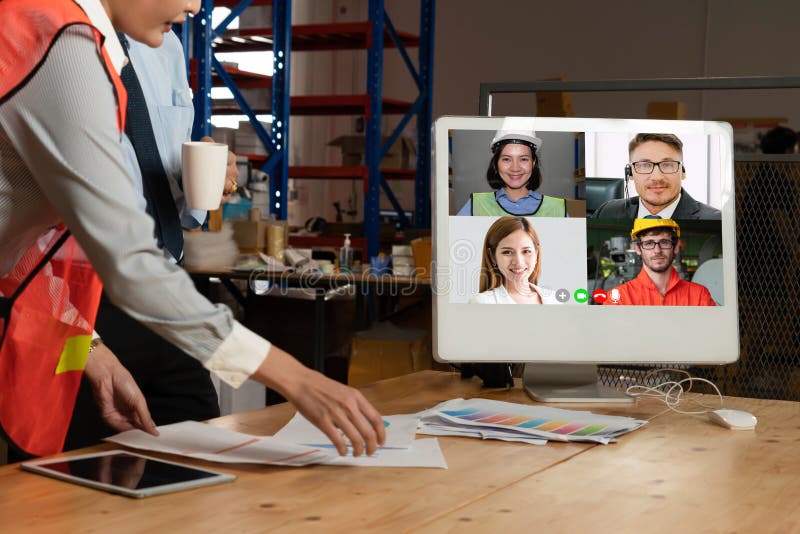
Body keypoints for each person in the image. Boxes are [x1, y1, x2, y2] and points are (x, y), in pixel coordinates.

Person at [0, 0, 384, 459]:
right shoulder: (62, 44)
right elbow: (127, 260)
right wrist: (297, 379)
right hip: (105, 291)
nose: (195, 5)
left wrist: (85, 342)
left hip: (92, 297)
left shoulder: (77, 38)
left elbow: (22, 245)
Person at [65, 25, 240, 450]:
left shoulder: (168, 45)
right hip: (75, 305)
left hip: (161, 288)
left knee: (202, 455)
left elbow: (162, 182)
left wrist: (208, 182)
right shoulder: (57, 45)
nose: (195, 8)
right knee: (77, 469)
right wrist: (82, 345)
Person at [591, 133, 721, 220]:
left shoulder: (717, 220)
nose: (657, 177)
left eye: (668, 165)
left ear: (682, 171)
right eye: (645, 165)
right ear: (630, 173)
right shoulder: (606, 212)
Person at [604, 219, 716, 306]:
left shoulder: (699, 295)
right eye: (649, 243)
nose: (657, 251)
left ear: (676, 247)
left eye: (664, 242)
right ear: (638, 248)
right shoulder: (618, 298)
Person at [457, 130, 567, 217]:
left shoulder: (556, 209)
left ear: (533, 163)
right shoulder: (476, 205)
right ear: (496, 163)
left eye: (523, 159)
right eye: (506, 159)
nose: (515, 168)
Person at [471, 216, 559, 304]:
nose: (518, 262)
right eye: (507, 252)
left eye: (526, 251)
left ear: (536, 254)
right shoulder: (482, 302)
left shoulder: (554, 299)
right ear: (492, 256)